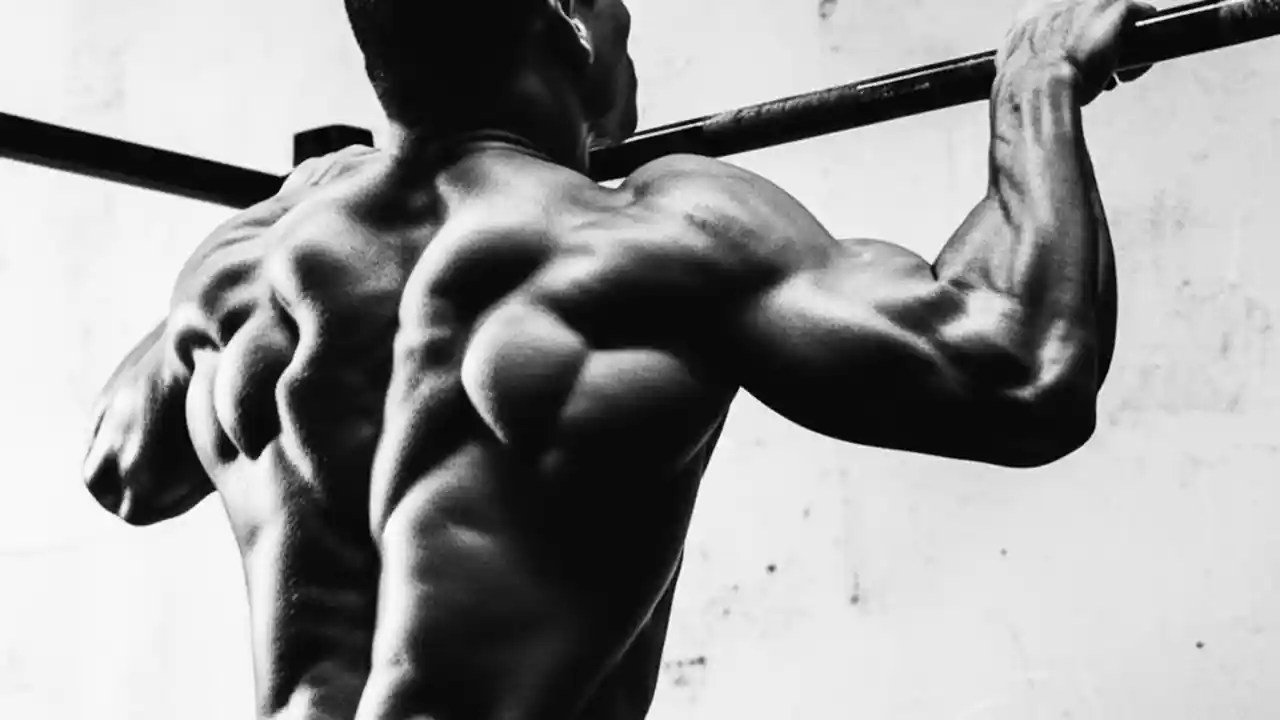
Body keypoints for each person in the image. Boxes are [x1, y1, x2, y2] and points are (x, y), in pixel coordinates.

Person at [81, 0, 1150, 718]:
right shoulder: (652, 230)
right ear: (567, 30)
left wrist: (273, 223)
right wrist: (1037, 88)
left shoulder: (247, 261)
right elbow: (1017, 372)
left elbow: (127, 469)